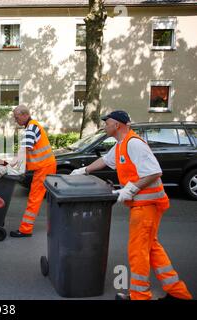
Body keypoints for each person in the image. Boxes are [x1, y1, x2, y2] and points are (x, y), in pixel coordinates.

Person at [71, 110, 193, 300]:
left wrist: (130, 190)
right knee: (151, 248)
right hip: (143, 205)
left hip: (147, 205)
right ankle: (178, 292)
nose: (104, 126)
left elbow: (154, 172)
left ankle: (140, 295)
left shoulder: (134, 144)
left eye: (107, 122)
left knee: (138, 250)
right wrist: (83, 170)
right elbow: (105, 160)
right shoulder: (121, 145)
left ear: (117, 125)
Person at [0, 105, 57, 237]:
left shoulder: (31, 128)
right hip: (45, 166)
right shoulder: (32, 126)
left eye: (16, 118)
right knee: (45, 198)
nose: (16, 120)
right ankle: (55, 225)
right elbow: (25, 152)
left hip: (43, 167)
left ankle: (25, 229)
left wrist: (8, 168)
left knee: (34, 198)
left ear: (24, 115)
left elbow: (23, 152)